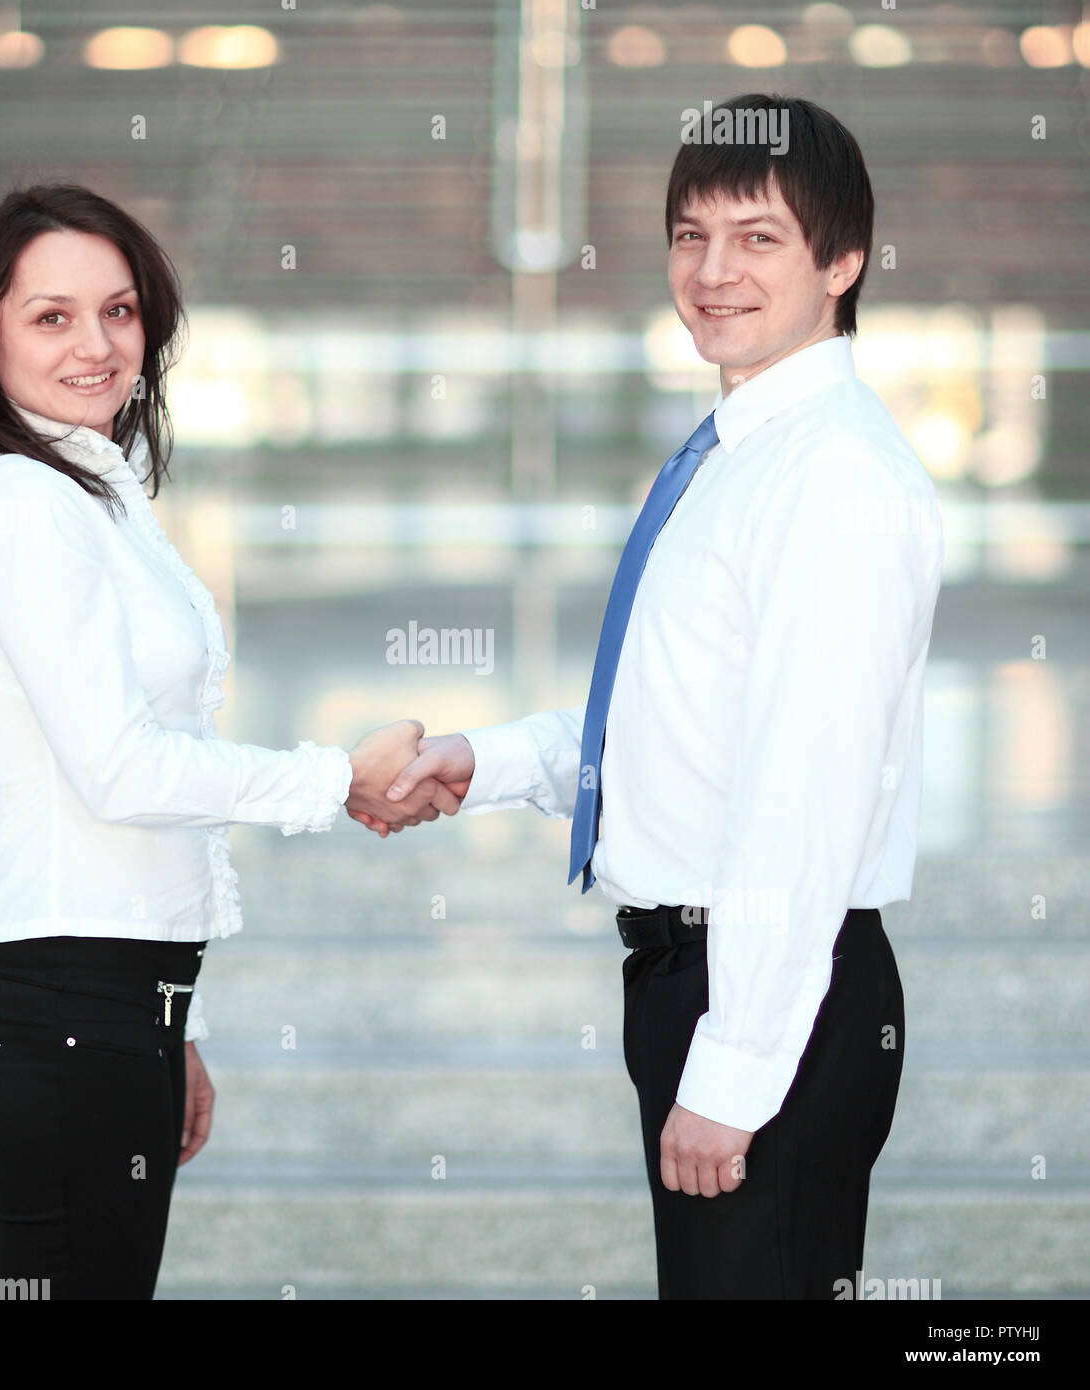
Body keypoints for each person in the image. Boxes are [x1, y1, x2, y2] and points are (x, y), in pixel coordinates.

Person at [368, 94, 945, 1299]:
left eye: (757, 237)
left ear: (842, 262)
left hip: (770, 985)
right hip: (706, 973)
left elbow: (804, 790)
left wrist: (732, 1072)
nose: (711, 270)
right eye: (689, 235)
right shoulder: (739, 449)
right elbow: (688, 721)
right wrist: (500, 760)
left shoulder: (831, 474)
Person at [0, 183, 460, 1299]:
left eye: (119, 312)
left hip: (113, 1008)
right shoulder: (22, 502)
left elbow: (153, 760)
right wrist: (332, 778)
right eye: (51, 316)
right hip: (58, 1009)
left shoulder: (96, 496)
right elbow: (120, 768)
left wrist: (180, 1020)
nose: (97, 344)